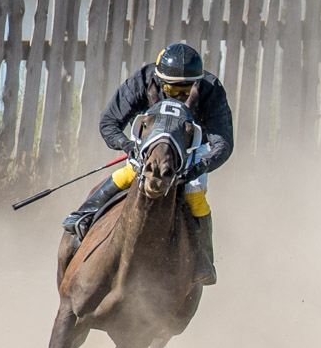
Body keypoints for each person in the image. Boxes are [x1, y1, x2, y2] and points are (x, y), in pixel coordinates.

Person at [62, 42, 234, 286]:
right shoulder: (144, 80)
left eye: (186, 91)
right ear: (159, 79)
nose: (179, 97)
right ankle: (83, 215)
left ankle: (203, 258)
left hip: (191, 150)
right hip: (148, 145)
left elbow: (223, 143)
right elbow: (109, 122)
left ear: (197, 83)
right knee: (128, 174)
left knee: (195, 191)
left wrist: (199, 166)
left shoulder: (210, 89)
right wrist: (127, 145)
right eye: (173, 91)